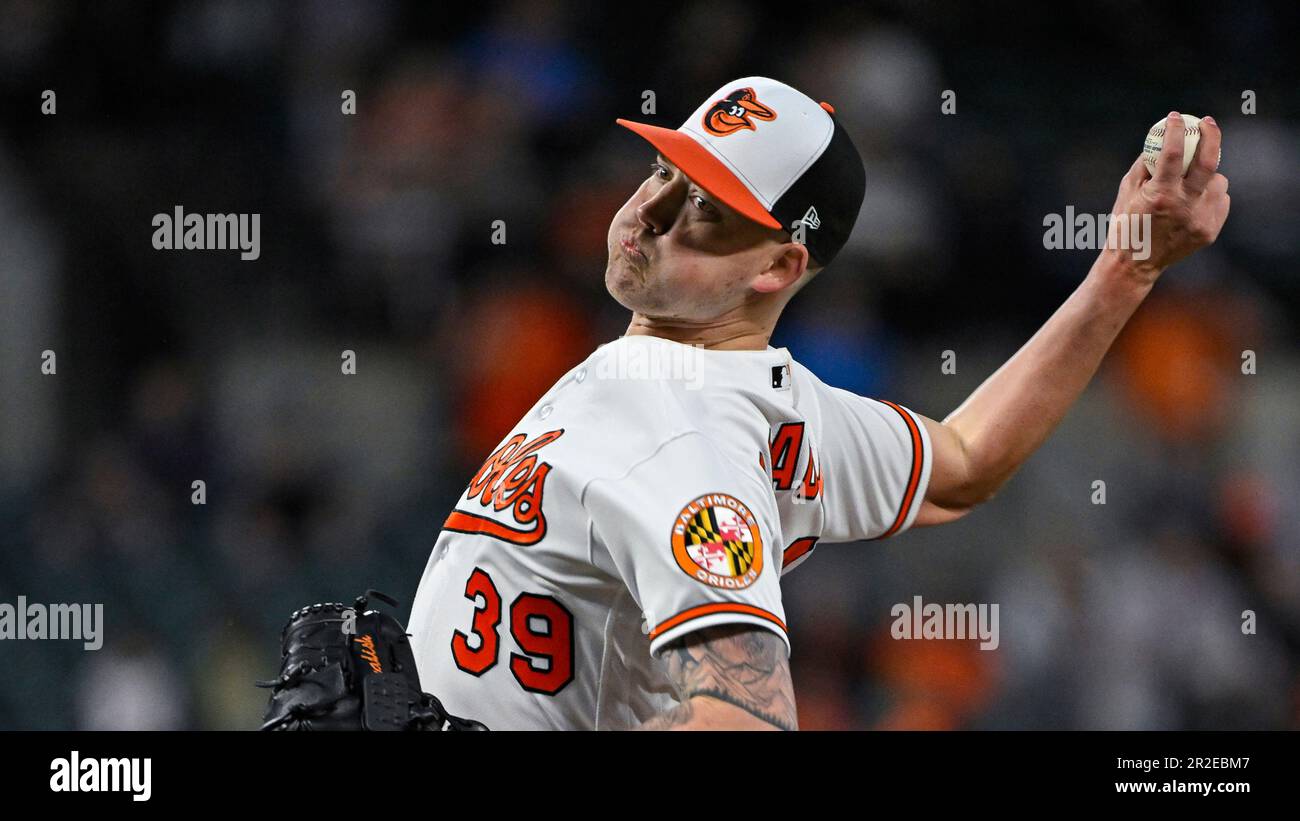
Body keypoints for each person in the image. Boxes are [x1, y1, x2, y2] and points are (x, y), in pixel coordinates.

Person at [406, 77, 1230, 730]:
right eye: (665, 171)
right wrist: (1127, 269)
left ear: (775, 267)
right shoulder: (776, 401)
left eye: (701, 209)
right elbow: (962, 463)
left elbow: (745, 717)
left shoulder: (677, 426)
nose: (647, 213)